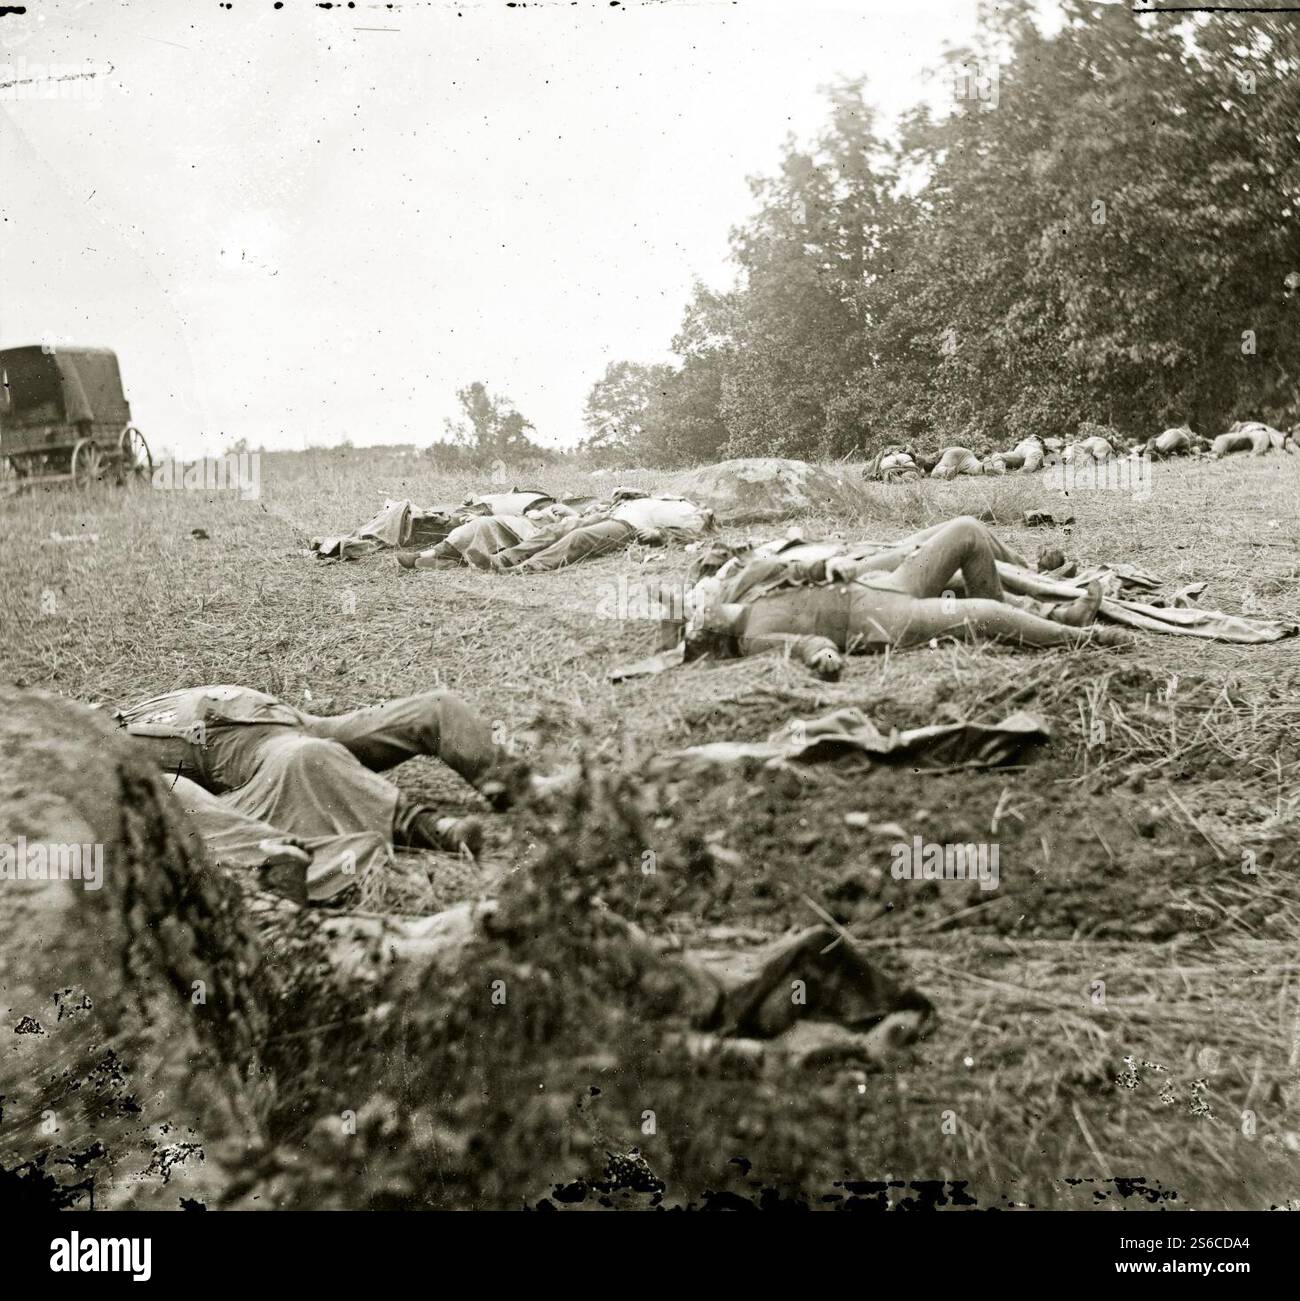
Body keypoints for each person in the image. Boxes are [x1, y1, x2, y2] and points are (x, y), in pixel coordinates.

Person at [115, 685, 533, 900]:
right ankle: (427, 830)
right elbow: (182, 799)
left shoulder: (121, 713)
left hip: (293, 719)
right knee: (306, 757)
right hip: (257, 757)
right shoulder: (108, 759)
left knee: (437, 707)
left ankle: (521, 790)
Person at [687, 516, 1127, 679]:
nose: (705, 605)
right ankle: (1081, 639)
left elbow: (800, 569)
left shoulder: (751, 580)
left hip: (885, 585)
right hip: (884, 622)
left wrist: (828, 567)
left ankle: (1045, 622)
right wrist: (824, 658)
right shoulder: (752, 639)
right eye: (700, 615)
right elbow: (806, 647)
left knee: (966, 530)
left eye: (703, 598)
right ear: (711, 630)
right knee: (982, 612)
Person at [398, 494, 713, 573]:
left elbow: (693, 534)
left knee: (575, 541)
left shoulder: (690, 513)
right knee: (555, 532)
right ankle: (503, 560)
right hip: (612, 514)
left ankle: (523, 569)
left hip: (627, 528)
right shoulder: (663, 498)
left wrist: (657, 534)